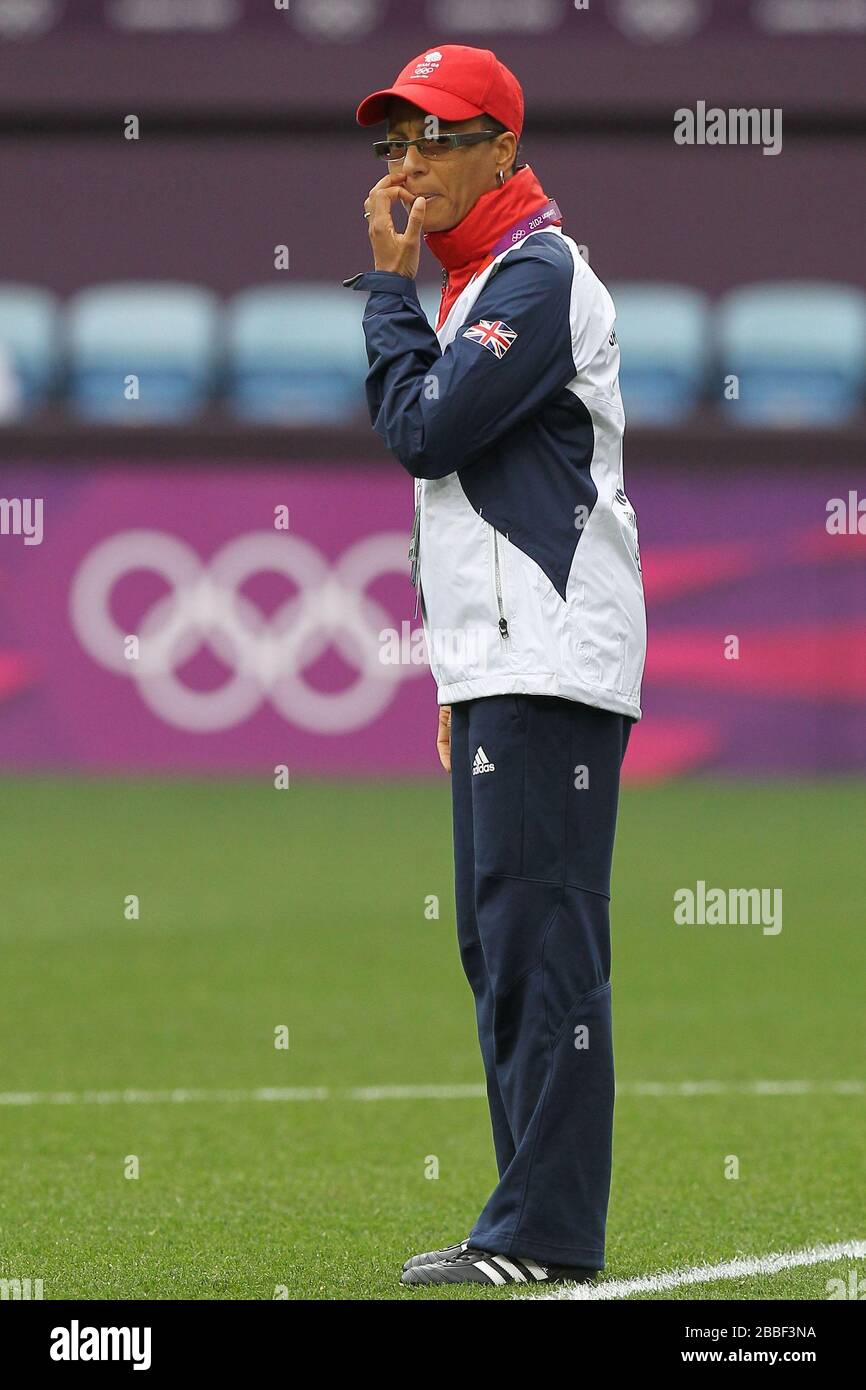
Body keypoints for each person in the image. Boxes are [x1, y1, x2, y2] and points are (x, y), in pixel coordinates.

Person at [344, 44, 646, 1289]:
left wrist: (381, 289)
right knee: (502, 942)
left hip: (551, 659)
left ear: (504, 151)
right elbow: (463, 506)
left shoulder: (535, 272)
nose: (407, 164)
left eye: (435, 137)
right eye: (393, 142)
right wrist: (451, 676)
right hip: (503, 666)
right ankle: (521, 1227)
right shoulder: (475, 285)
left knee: (540, 941)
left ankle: (545, 1237)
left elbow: (428, 436)